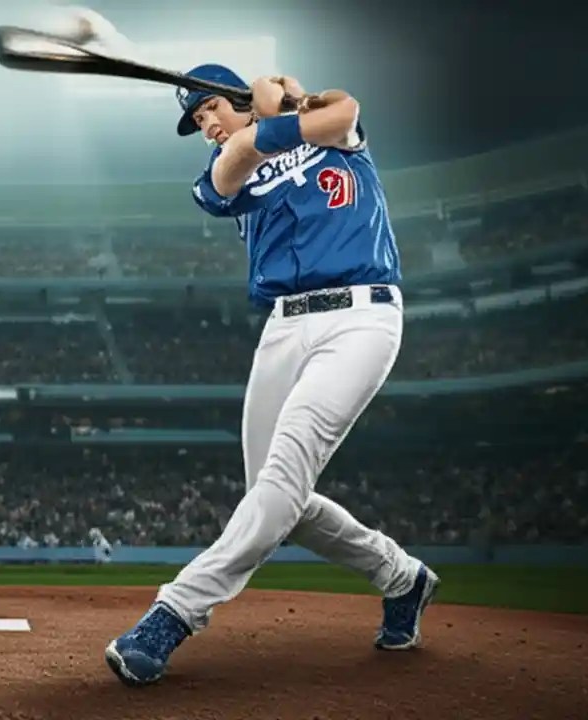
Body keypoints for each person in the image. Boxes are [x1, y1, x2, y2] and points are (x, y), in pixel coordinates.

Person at [104, 68, 439, 687]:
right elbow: (231, 164)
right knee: (279, 498)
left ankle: (173, 613)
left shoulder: (328, 127)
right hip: (284, 328)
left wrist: (290, 99)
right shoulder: (230, 163)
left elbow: (344, 111)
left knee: (279, 487)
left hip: (361, 318)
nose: (205, 124)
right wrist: (266, 120)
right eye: (196, 119)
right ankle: (402, 576)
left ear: (236, 99)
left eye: (209, 108)